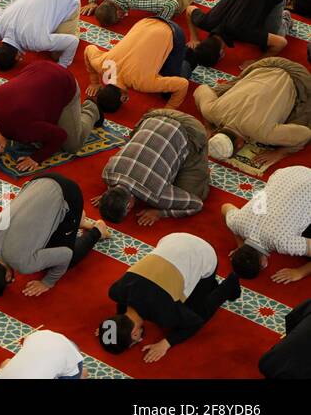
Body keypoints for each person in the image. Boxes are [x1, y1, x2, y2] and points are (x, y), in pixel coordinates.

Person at [99, 233, 240, 362]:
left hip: (204, 253)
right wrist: (112, 330)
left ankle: (229, 285)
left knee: (197, 311)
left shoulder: (165, 314)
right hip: (173, 239)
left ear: (135, 334)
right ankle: (207, 285)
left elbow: (195, 322)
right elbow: (122, 308)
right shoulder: (116, 292)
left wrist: (166, 343)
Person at [0, 174, 106, 297]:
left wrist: (47, 282)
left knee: (65, 261)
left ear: (7, 277)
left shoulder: (24, 264)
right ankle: (77, 222)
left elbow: (66, 254)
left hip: (68, 194)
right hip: (37, 181)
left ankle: (98, 230)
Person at [195, 57, 311, 168]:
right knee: (220, 91)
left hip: (299, 77)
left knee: (303, 119)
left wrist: (279, 153)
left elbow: (305, 134)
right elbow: (201, 89)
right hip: (266, 63)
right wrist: (209, 125)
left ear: (240, 145)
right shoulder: (212, 112)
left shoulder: (265, 135)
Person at [99, 109, 210, 224]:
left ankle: (201, 165)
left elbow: (196, 204)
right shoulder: (107, 174)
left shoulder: (156, 195)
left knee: (196, 192)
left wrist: (160, 213)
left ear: (128, 206)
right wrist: (110, 199)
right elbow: (112, 185)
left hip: (190, 129)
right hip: (154, 116)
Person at [223, 166, 311, 282]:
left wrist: (299, 272)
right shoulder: (236, 223)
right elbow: (225, 207)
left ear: (264, 264)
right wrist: (240, 243)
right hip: (288, 172)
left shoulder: (284, 243)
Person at [84, 16, 192, 110]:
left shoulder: (142, 83)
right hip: (145, 22)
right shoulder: (101, 65)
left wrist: (168, 110)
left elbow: (182, 85)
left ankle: (191, 57)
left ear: (123, 98)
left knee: (167, 94)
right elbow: (89, 48)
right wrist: (95, 81)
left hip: (174, 32)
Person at [0, 0, 81, 69]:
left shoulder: (36, 42)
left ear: (18, 57)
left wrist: (62, 65)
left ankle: (74, 25)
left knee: (57, 55)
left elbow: (72, 42)